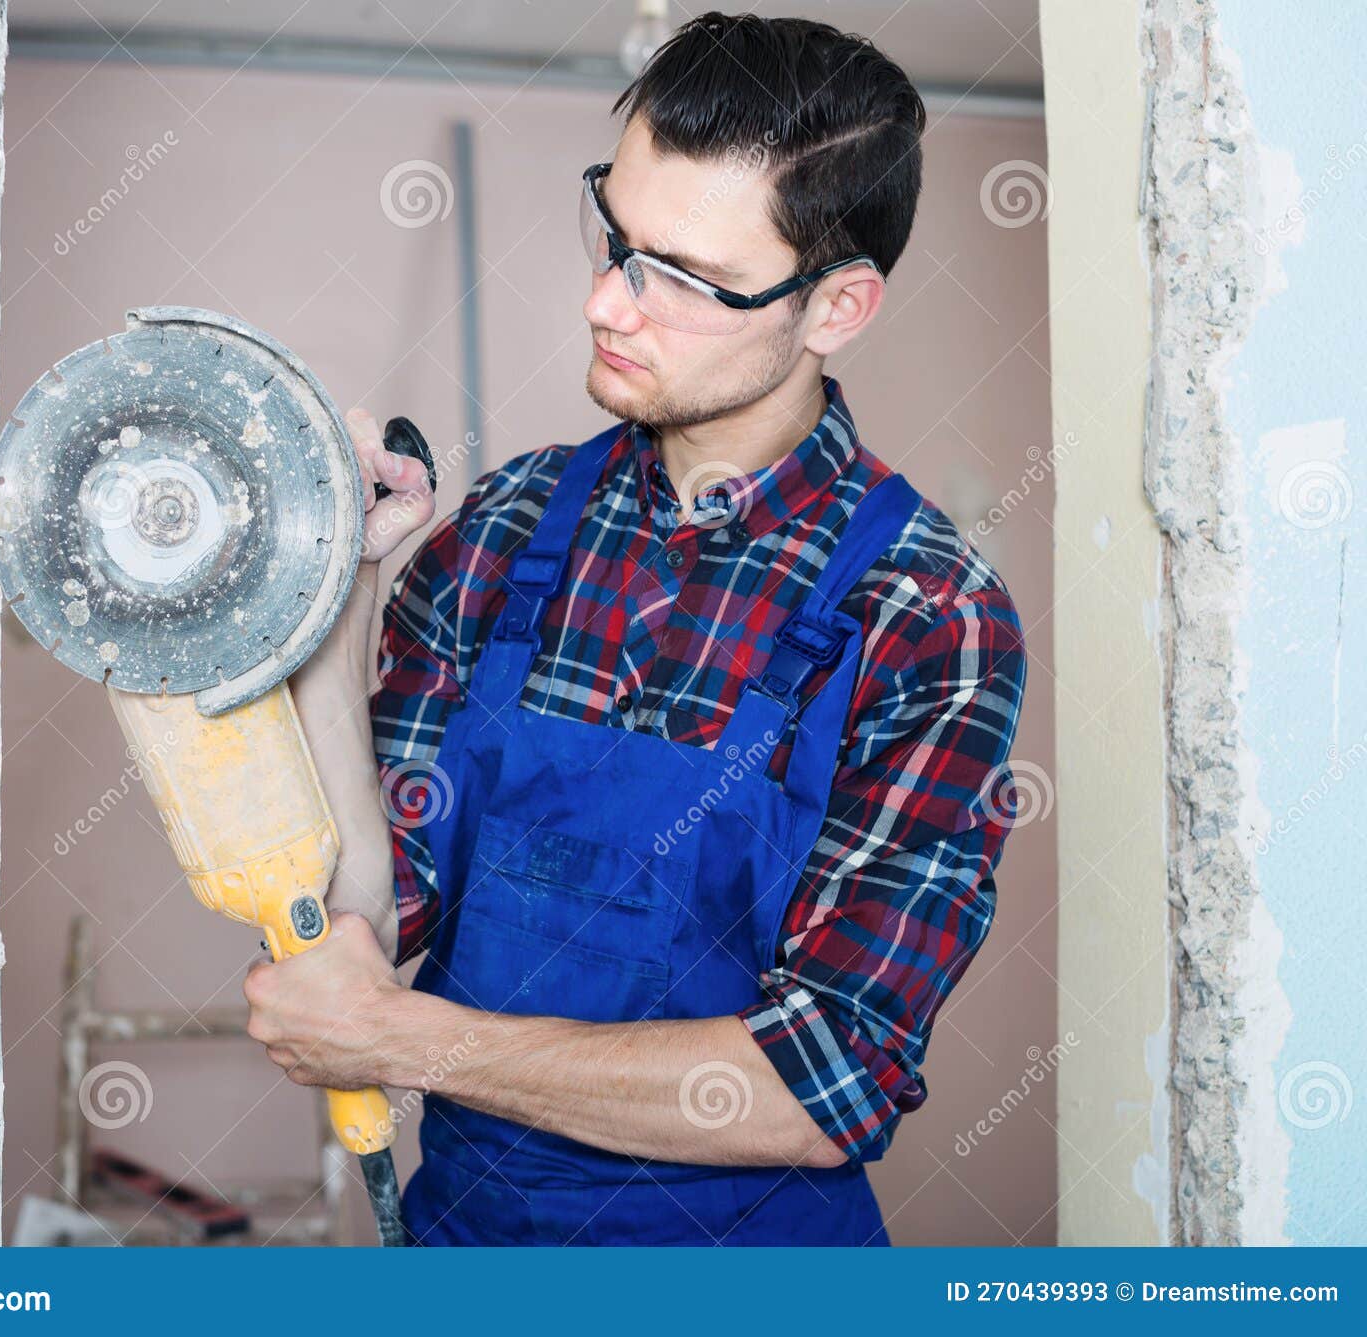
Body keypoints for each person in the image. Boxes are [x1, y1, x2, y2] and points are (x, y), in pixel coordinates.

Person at [244, 10, 1028, 1246]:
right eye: (617, 237)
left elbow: (824, 1079)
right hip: (473, 1244)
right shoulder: (505, 525)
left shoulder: (925, 617)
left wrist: (406, 1041)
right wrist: (340, 595)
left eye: (685, 277)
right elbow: (377, 913)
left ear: (835, 307)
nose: (609, 301)